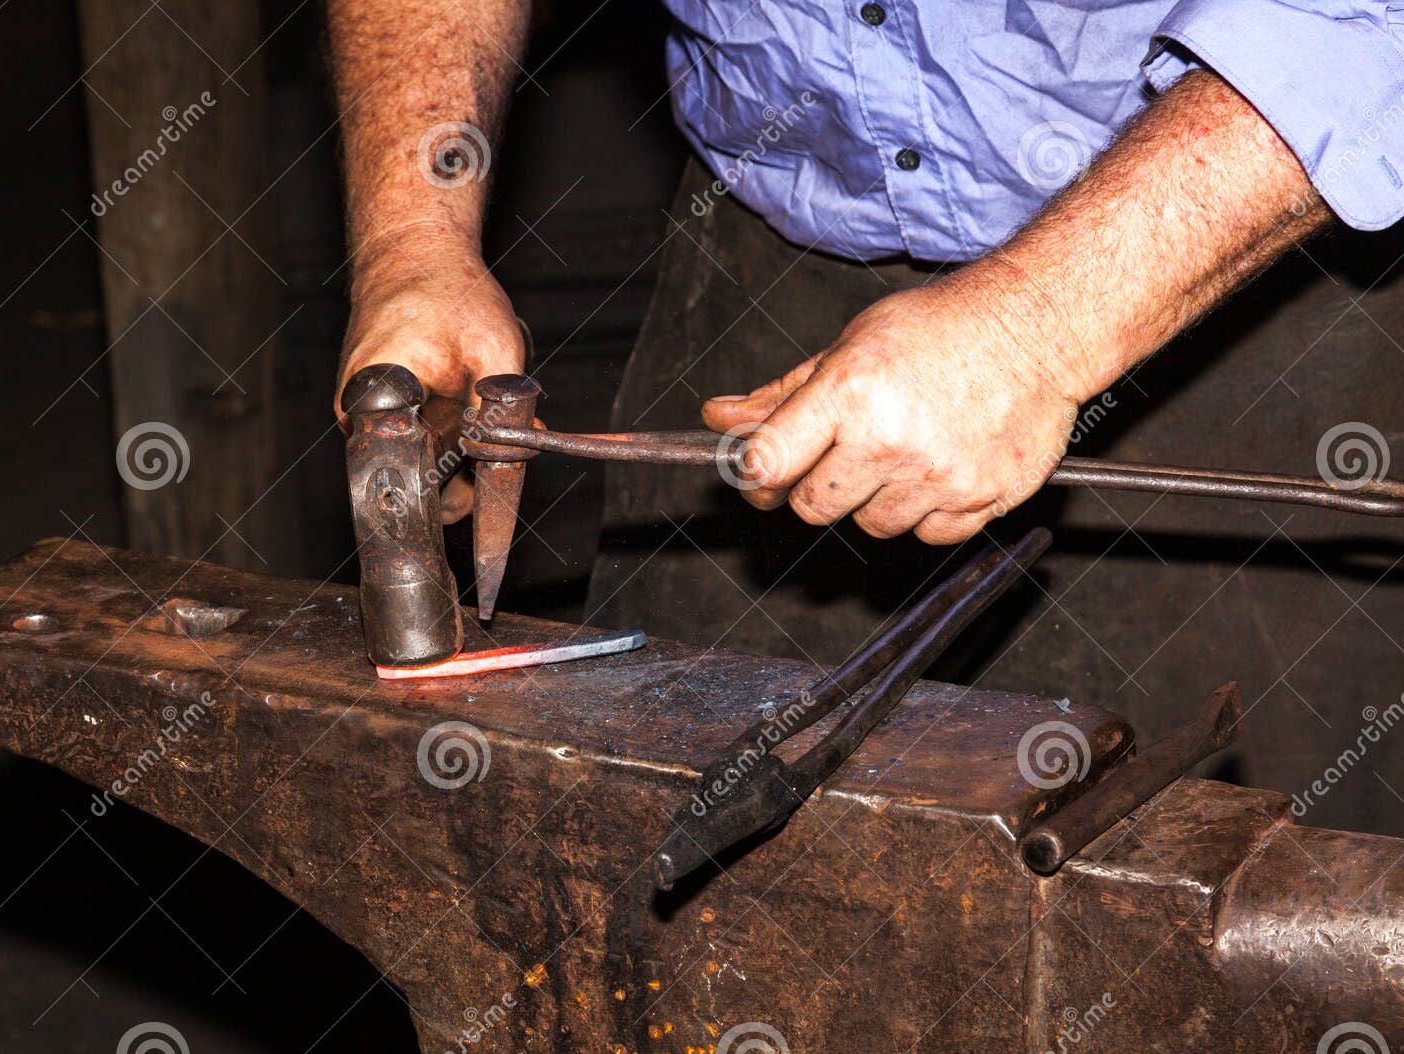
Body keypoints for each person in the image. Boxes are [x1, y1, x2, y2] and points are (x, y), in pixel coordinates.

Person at [328, 1, 1404, 834]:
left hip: (1248, 241)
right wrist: (412, 238)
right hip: (769, 248)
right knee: (662, 855)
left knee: (1255, 933)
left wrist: (1036, 332)